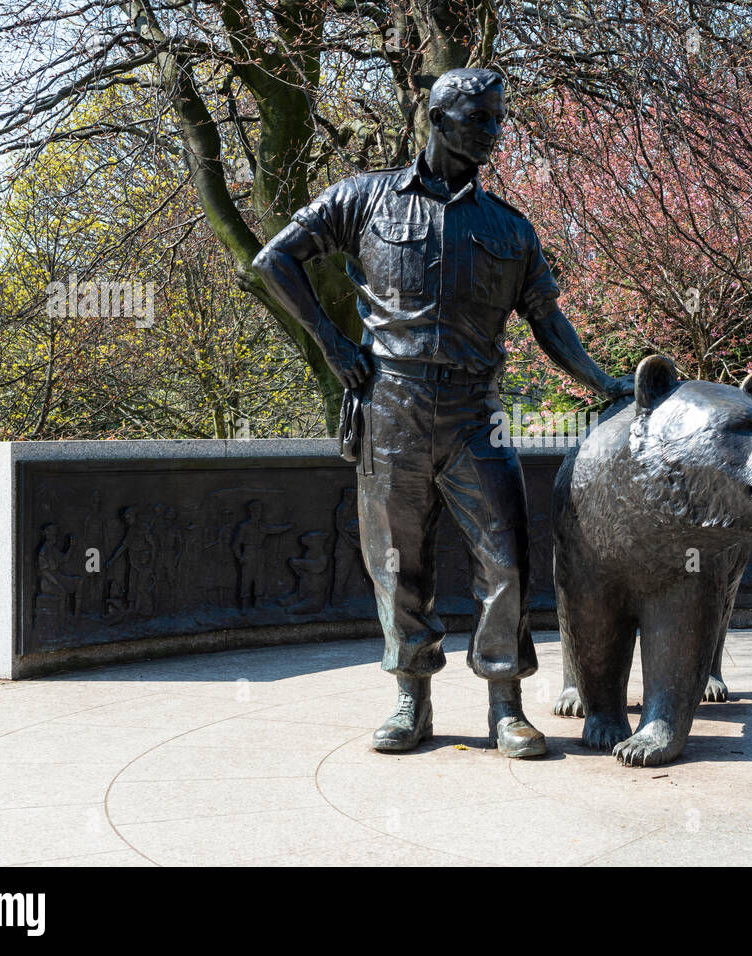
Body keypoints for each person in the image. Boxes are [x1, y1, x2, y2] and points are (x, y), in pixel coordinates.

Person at [252, 68, 633, 758]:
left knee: (505, 557)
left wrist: (606, 381)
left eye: (498, 120)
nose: (493, 132)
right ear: (438, 118)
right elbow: (273, 260)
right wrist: (335, 345)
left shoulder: (509, 228)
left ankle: (505, 705)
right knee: (396, 563)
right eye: (480, 119)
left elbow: (549, 322)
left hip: (474, 412)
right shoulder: (362, 198)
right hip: (388, 404)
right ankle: (410, 698)